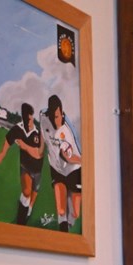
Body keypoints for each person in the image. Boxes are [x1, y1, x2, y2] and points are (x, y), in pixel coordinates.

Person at [0, 102, 41, 225]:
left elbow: (37, 154)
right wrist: (2, 153)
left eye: (30, 118)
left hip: (38, 170)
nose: (28, 121)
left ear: (32, 116)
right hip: (25, 167)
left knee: (32, 197)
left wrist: (25, 146)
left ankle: (27, 210)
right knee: (26, 192)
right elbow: (8, 139)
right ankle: (20, 221)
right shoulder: (18, 129)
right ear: (23, 117)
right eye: (26, 118)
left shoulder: (37, 133)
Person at [40, 94, 82, 233]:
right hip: (56, 169)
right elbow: (43, 135)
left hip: (73, 169)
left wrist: (69, 158)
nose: (55, 121)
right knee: (61, 209)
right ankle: (63, 234)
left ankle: (68, 226)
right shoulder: (43, 118)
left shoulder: (68, 131)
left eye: (57, 117)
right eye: (53, 117)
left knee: (75, 213)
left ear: (62, 113)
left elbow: (81, 158)